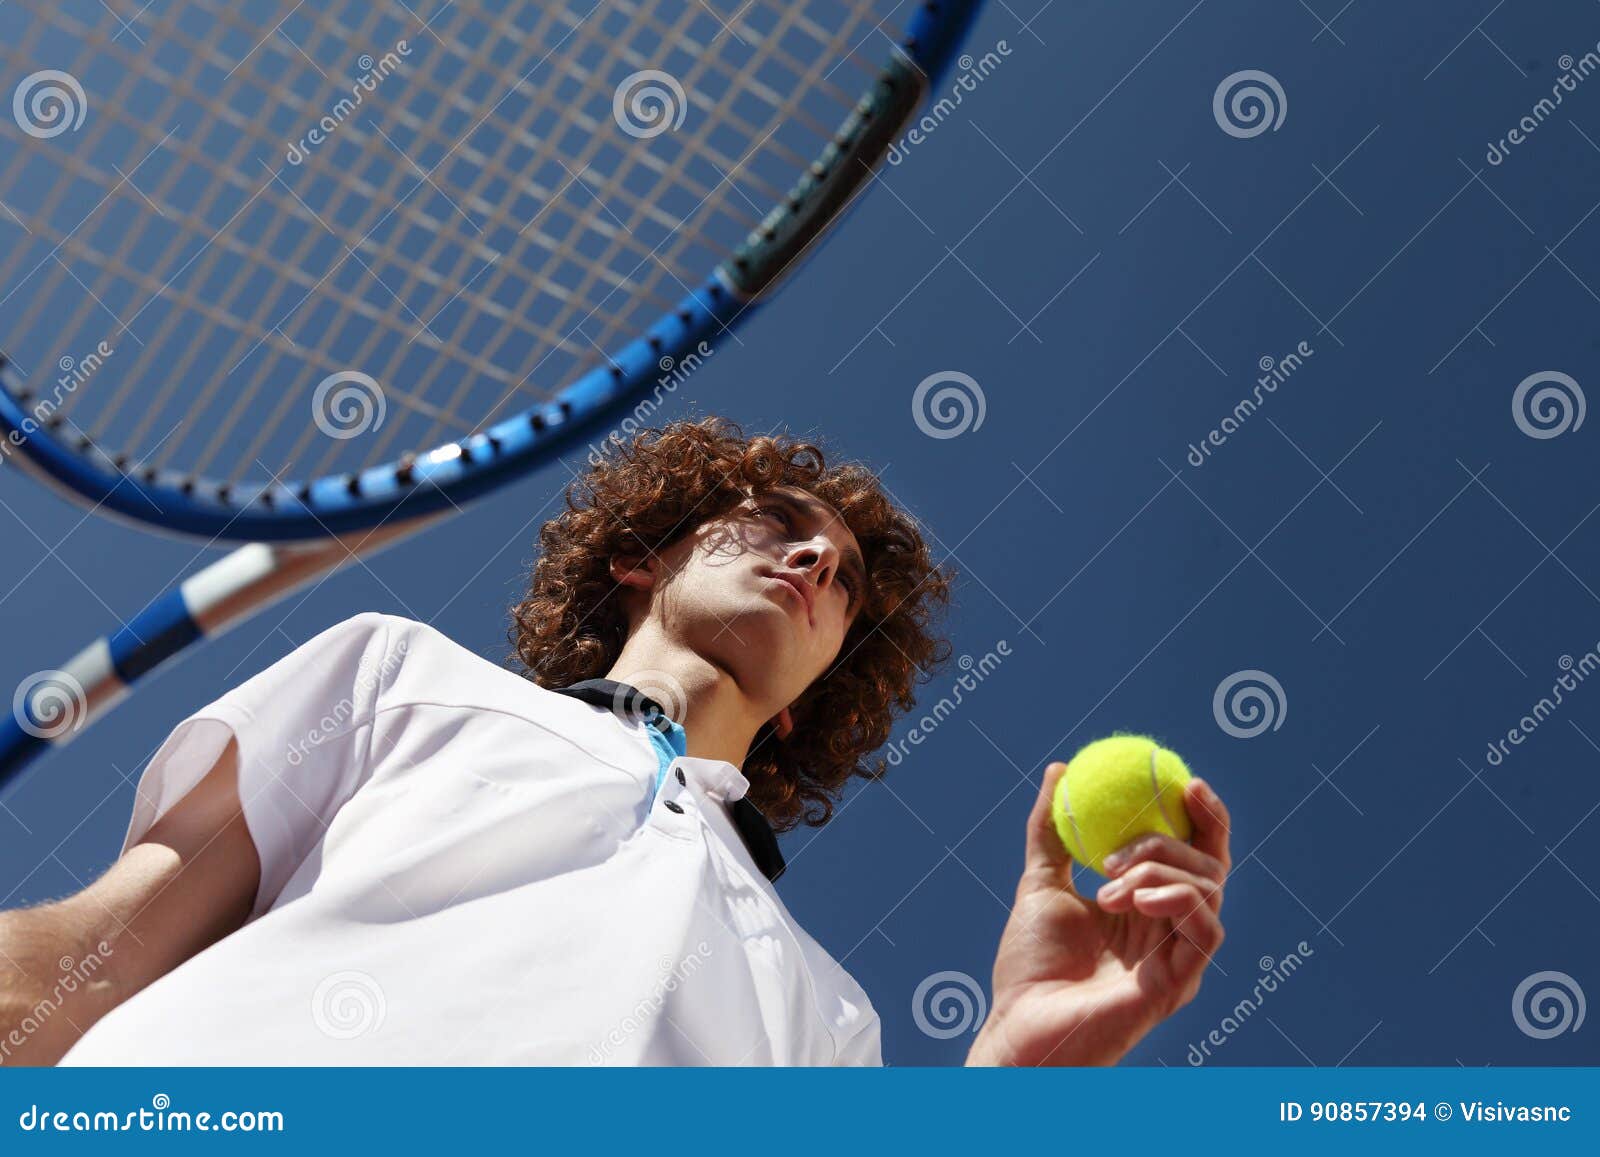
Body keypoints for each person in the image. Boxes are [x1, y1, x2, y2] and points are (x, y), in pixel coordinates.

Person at [0, 416, 1229, 1065]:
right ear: (641, 557)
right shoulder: (392, 672)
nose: (814, 557)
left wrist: (1019, 1078)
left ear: (804, 697)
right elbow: (87, 967)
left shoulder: (834, 1019)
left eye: (845, 579)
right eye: (776, 520)